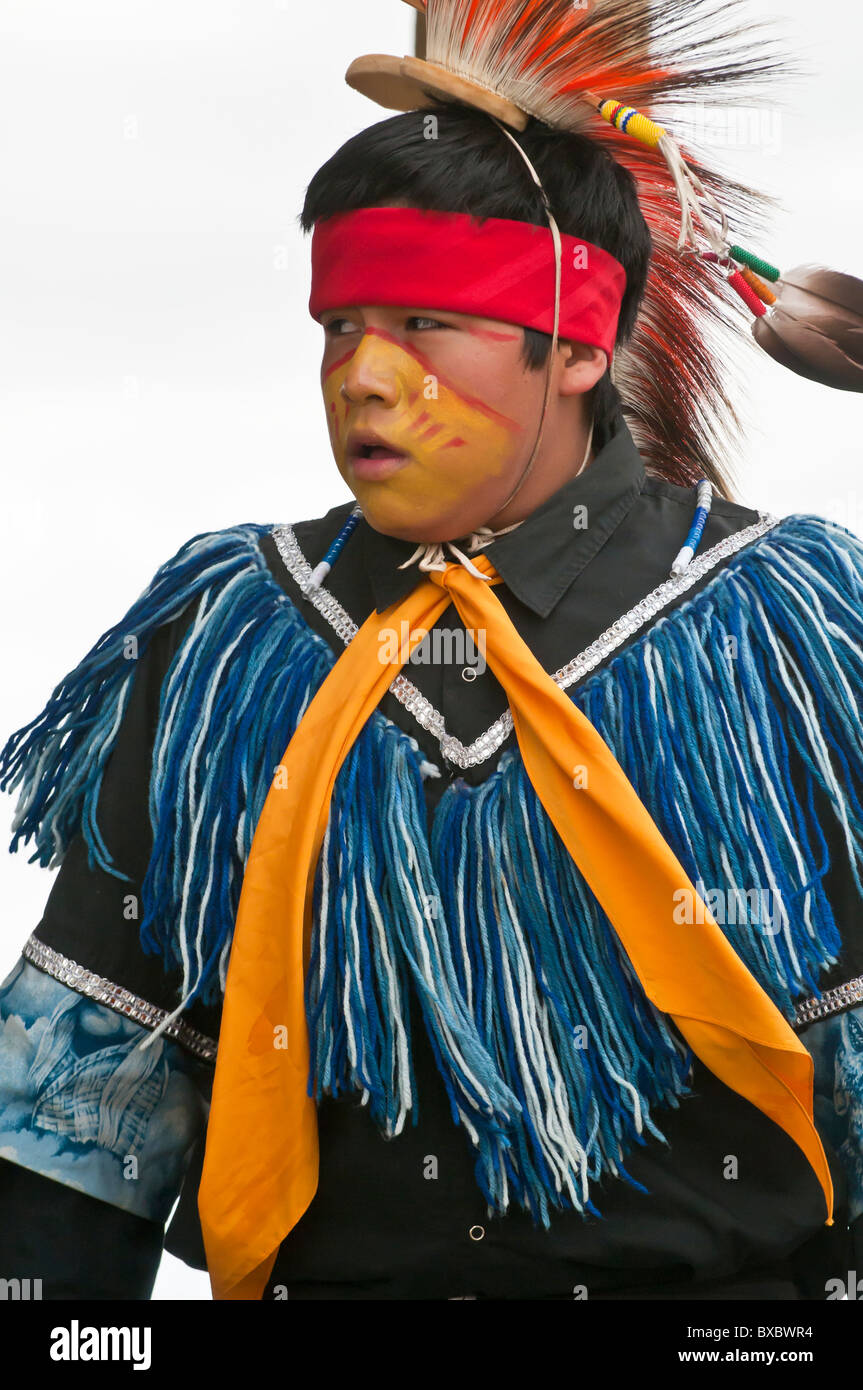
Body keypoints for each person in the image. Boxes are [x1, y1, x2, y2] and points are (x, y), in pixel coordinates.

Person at [1, 7, 862, 1302]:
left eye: (421, 324)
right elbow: (79, 1119)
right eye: (341, 326)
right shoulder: (230, 642)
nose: (362, 376)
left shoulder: (785, 632)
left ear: (577, 342)